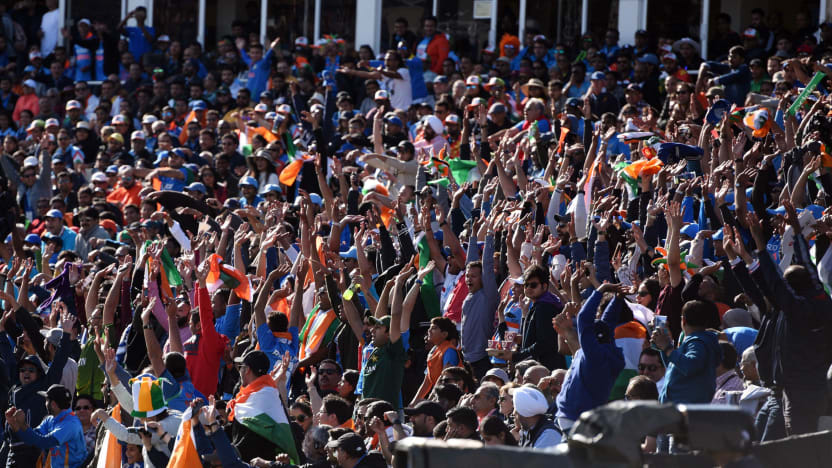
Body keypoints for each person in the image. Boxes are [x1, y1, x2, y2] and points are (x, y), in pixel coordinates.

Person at [5, 384, 88, 468]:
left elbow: (44, 442)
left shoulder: (70, 424)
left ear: (53, 404)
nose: (45, 403)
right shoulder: (50, 419)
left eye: (46, 400)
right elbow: (32, 439)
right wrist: (14, 424)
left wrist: (23, 424)